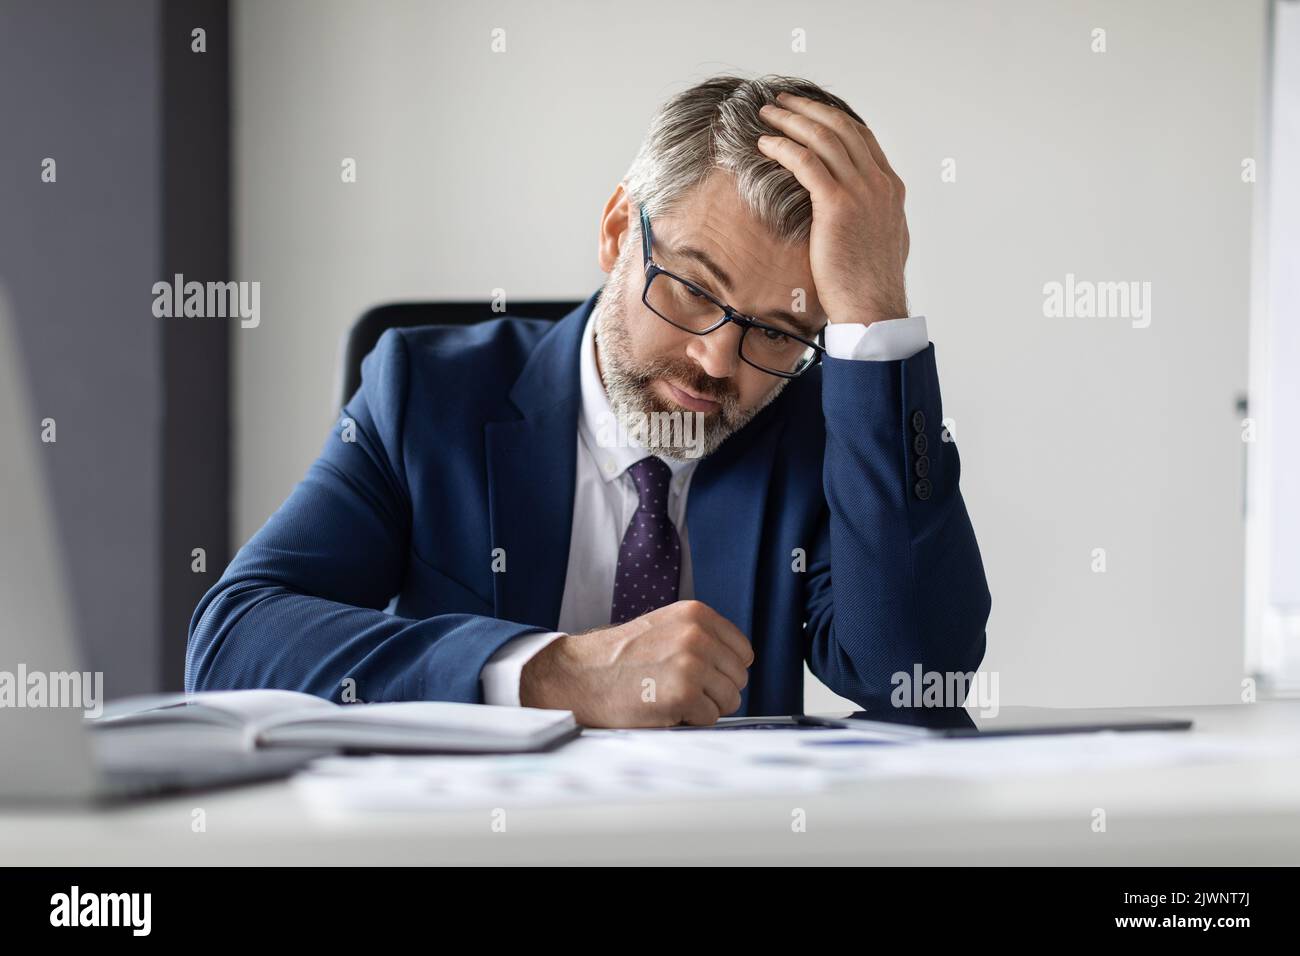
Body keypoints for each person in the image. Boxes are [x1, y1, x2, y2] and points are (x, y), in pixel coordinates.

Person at [186, 74, 991, 728]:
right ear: (616, 232)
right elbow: (233, 642)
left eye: (778, 333)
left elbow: (916, 672)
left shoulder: (821, 428)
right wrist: (553, 673)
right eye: (691, 287)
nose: (715, 357)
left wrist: (875, 315)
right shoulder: (424, 395)